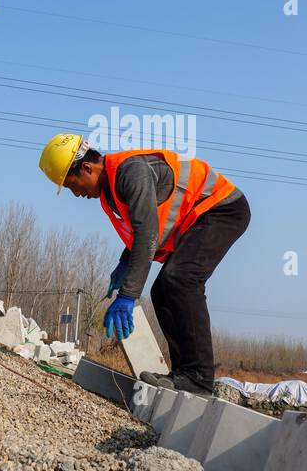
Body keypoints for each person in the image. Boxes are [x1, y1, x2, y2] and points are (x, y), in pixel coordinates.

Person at [37, 133, 250, 395]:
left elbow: (148, 233)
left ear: (87, 168)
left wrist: (128, 294)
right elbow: (143, 227)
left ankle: (198, 378)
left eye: (72, 185)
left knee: (180, 280)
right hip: (200, 218)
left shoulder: (130, 173)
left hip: (221, 209)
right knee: (162, 290)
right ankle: (185, 374)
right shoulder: (111, 188)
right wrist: (125, 262)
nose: (76, 193)